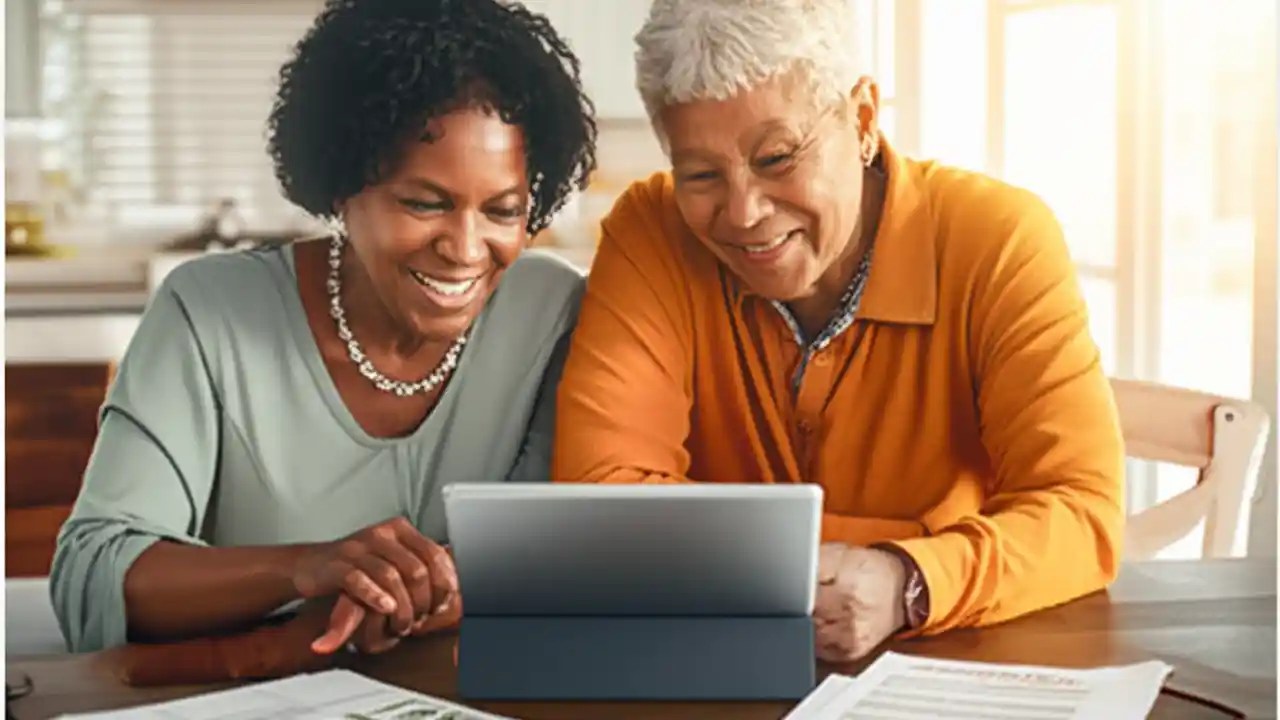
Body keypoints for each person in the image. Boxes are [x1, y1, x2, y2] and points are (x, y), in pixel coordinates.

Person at [552, 0, 1124, 663]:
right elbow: (602, 506)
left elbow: (1081, 513)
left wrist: (905, 578)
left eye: (777, 157)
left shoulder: (1000, 240)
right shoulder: (649, 229)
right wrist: (919, 538)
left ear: (861, 120)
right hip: (720, 673)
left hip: (950, 663)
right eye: (701, 175)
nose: (744, 214)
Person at [51, 0, 597, 661]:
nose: (465, 248)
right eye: (424, 204)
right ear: (342, 185)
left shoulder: (551, 311)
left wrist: (457, 588)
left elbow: (552, 550)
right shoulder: (209, 312)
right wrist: (307, 567)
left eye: (503, 211)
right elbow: (95, 573)